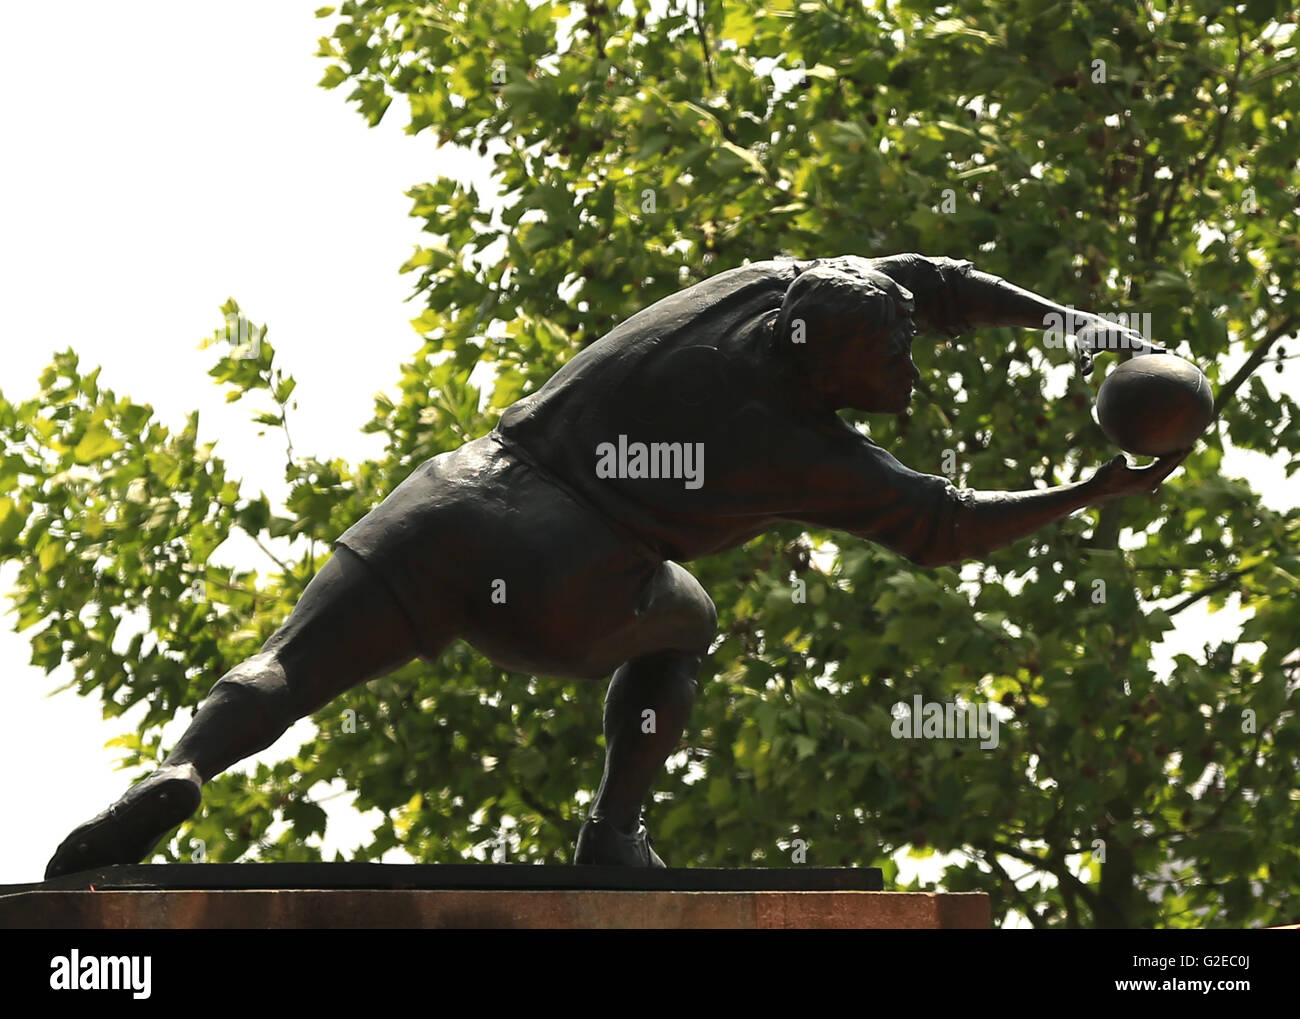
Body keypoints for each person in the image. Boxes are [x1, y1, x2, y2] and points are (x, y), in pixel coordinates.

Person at [45, 253, 1186, 876]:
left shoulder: (767, 285)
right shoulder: (805, 452)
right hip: (566, 568)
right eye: (889, 364)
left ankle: (189, 767)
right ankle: (613, 832)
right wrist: (1097, 488)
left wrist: (1084, 325)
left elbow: (927, 281)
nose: (909, 374)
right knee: (687, 624)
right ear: (833, 366)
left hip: (454, 492)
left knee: (289, 666)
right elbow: (947, 527)